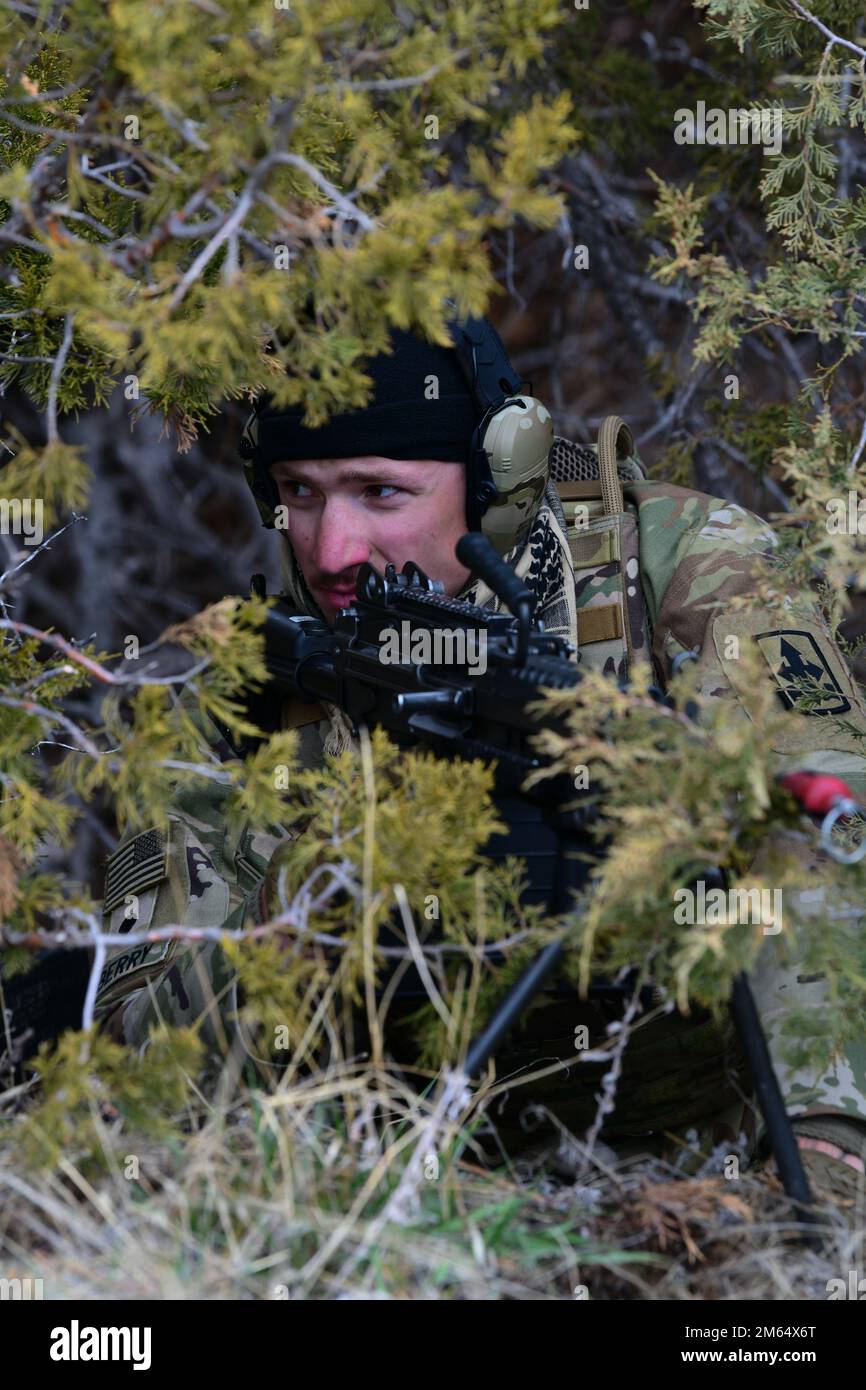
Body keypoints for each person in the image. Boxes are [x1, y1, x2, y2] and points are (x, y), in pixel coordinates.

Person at [94, 317, 866, 1196]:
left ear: (498, 482)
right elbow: (134, 1063)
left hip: (708, 1120)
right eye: (299, 493)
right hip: (403, 1174)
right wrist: (324, 904)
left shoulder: (676, 562)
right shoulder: (251, 695)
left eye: (381, 492)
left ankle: (823, 1189)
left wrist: (642, 801)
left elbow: (840, 815)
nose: (332, 549)